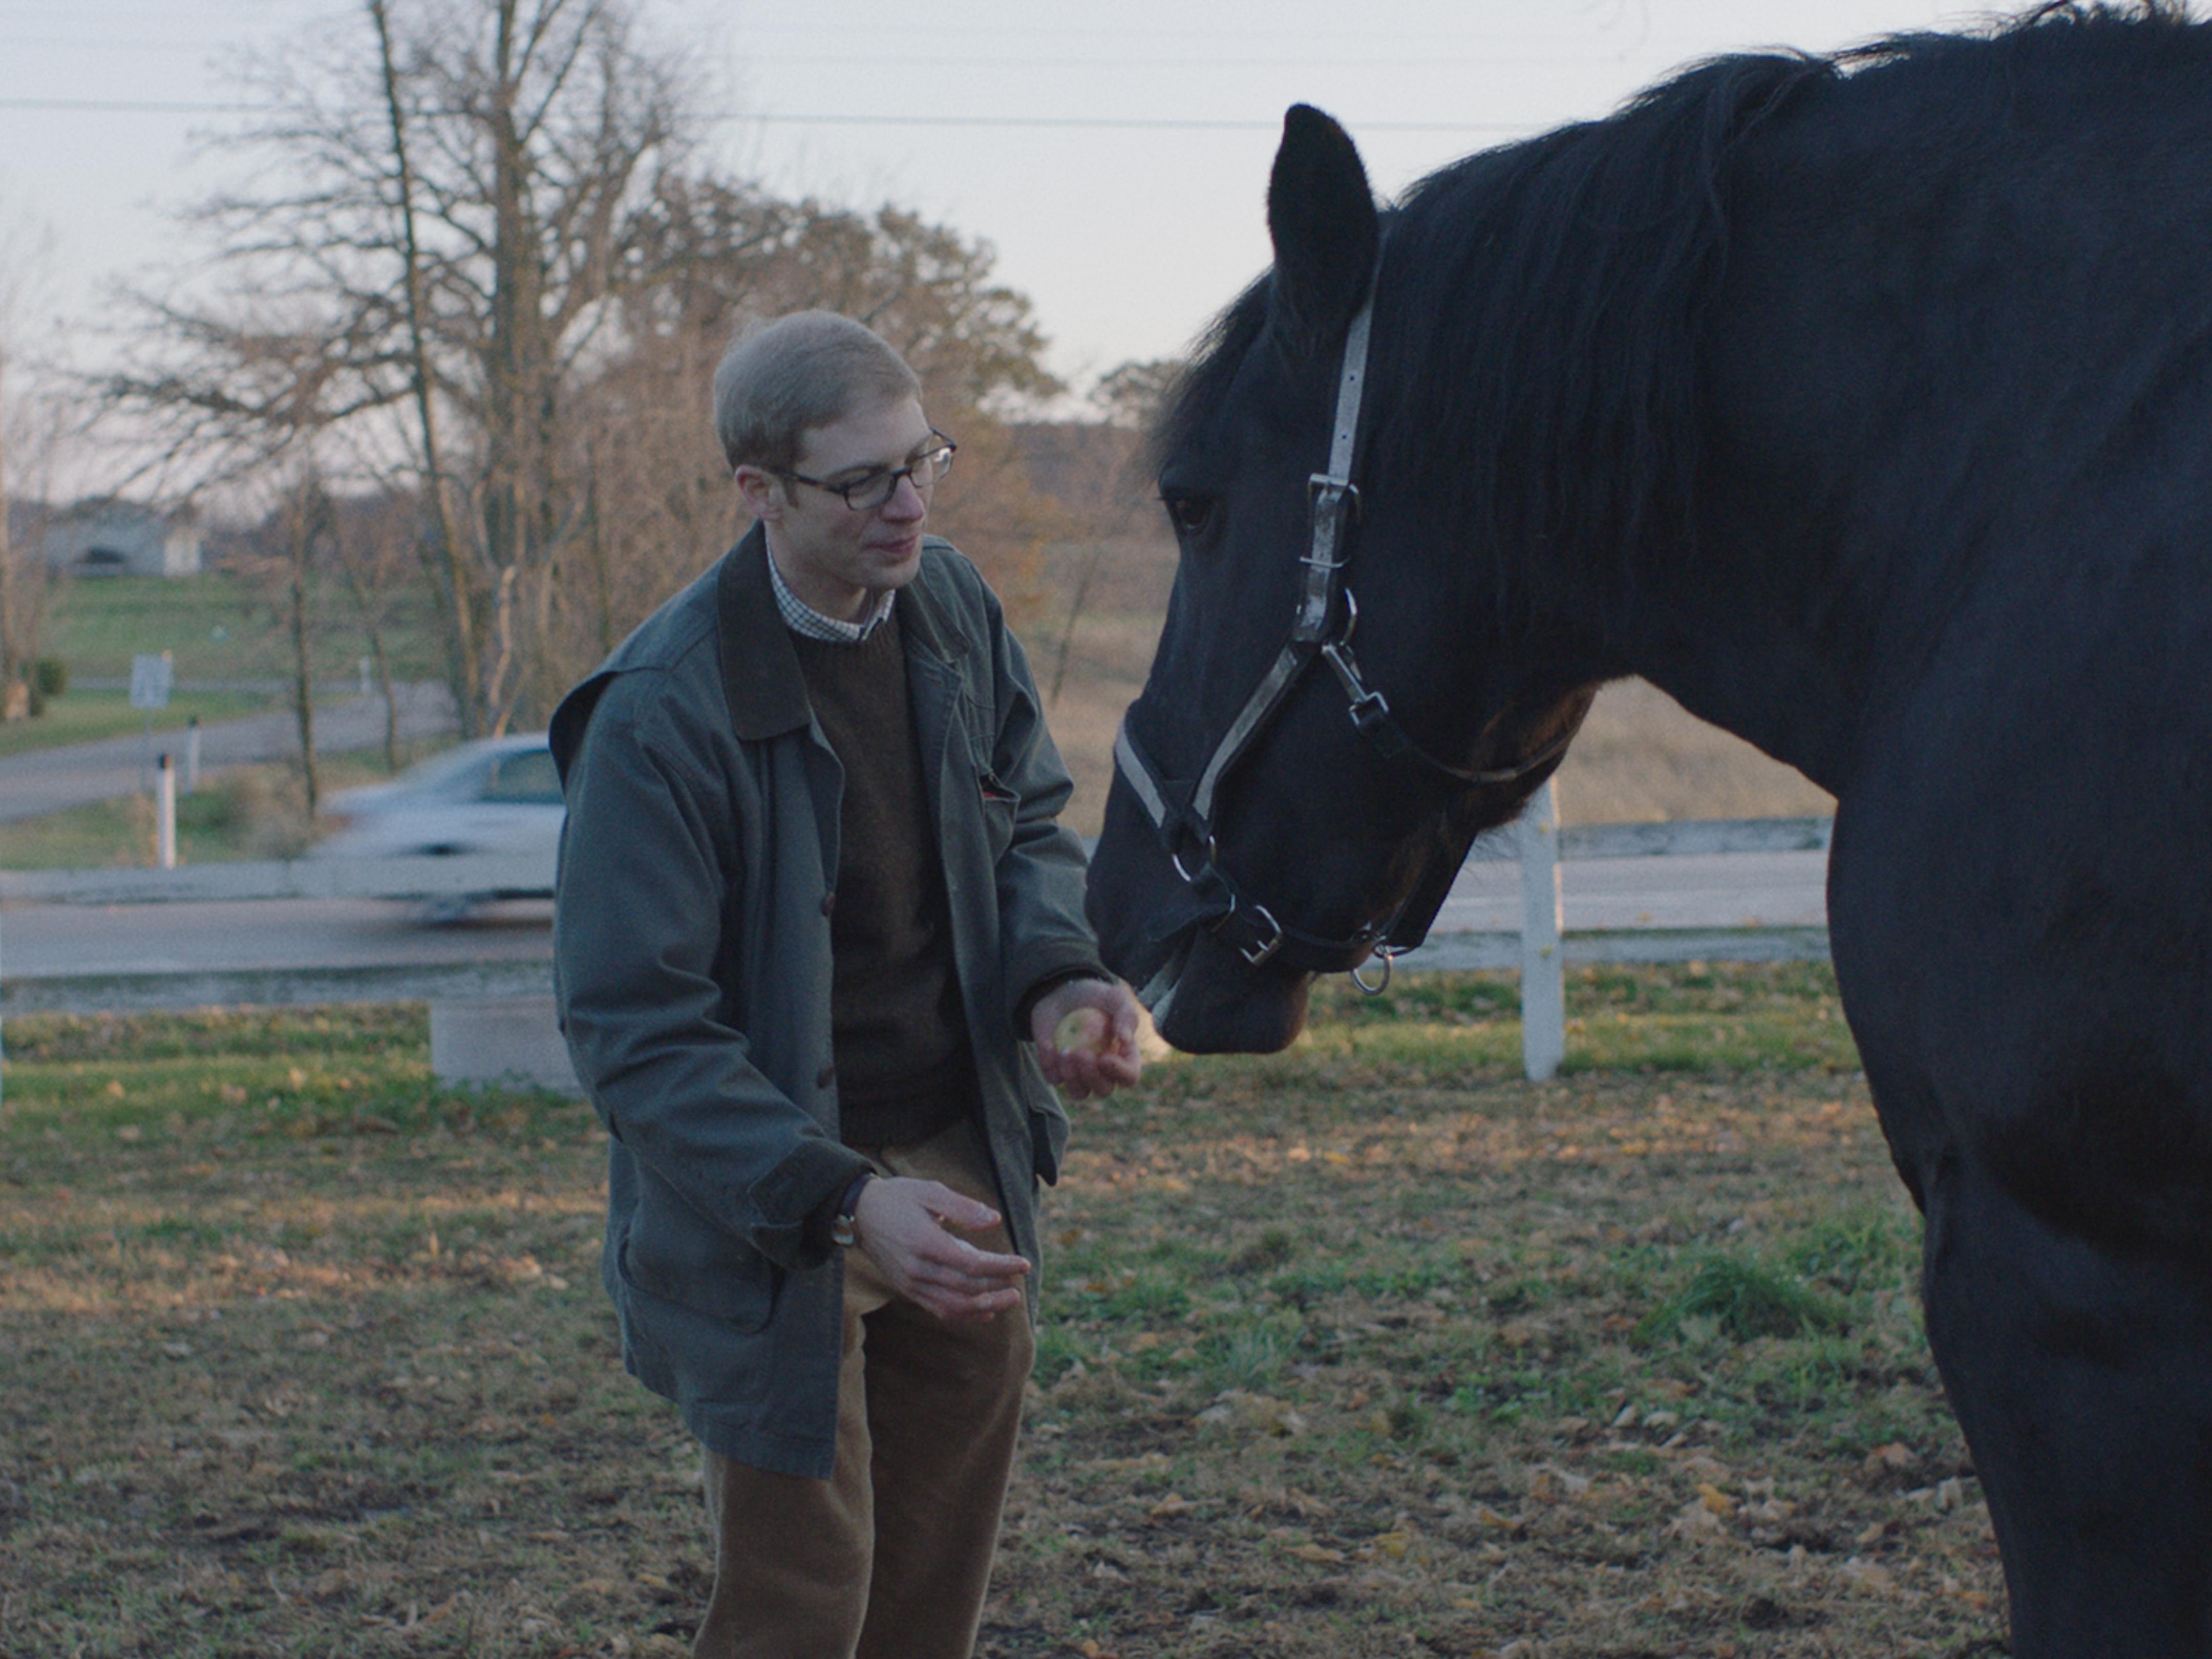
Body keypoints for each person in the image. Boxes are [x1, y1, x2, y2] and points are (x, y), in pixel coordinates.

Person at [548, 309, 1143, 1659]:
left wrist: (1058, 980)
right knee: (802, 1601)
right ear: (758, 490)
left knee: (934, 1579)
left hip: (958, 1158)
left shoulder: (952, 606)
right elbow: (634, 1032)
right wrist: (845, 1199)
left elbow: (1027, 823)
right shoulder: (660, 713)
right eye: (863, 481)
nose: (910, 505)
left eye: (922, 461)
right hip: (781, 1201)